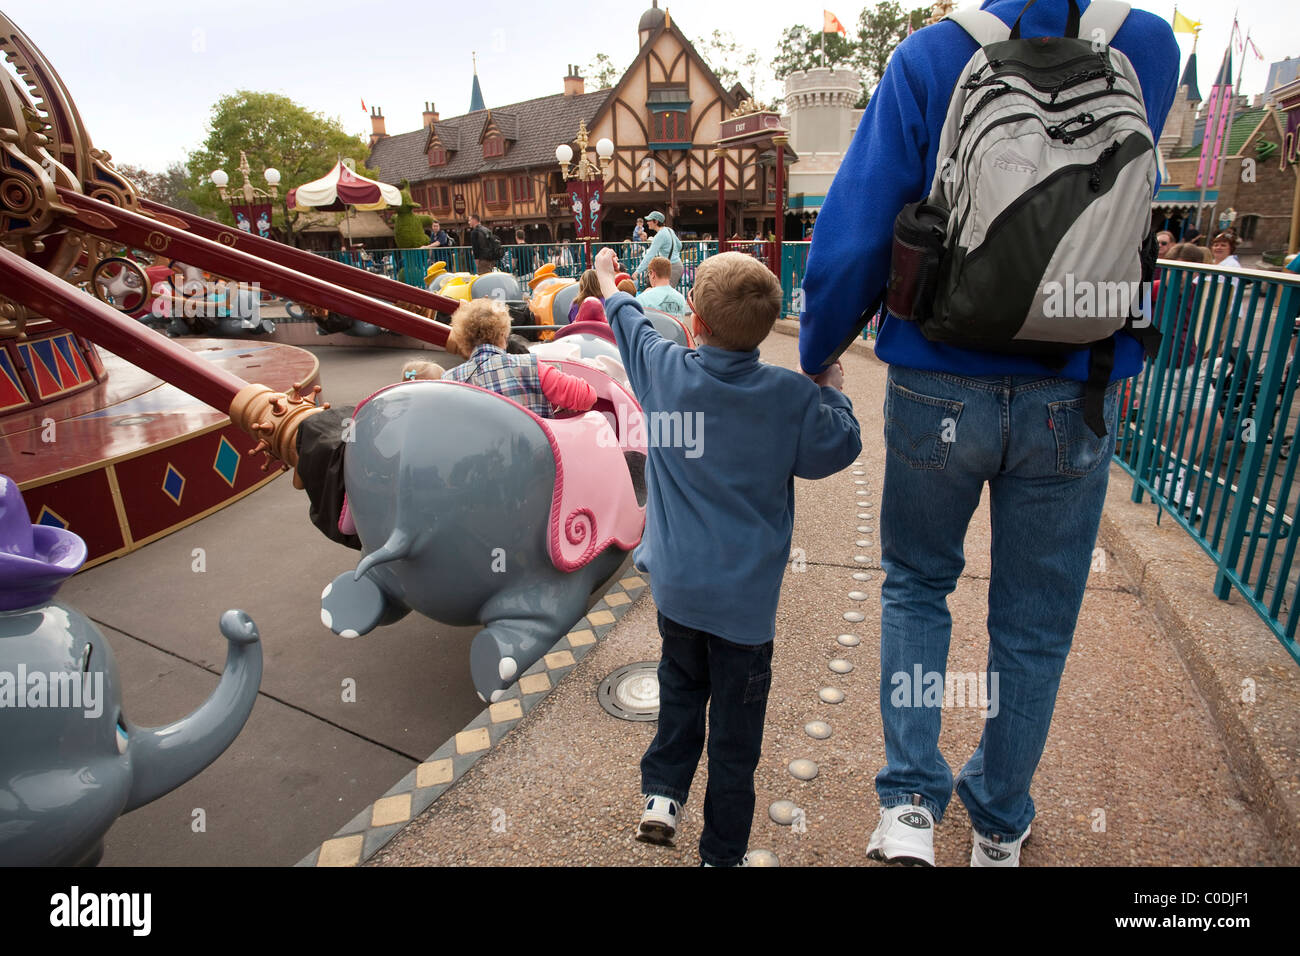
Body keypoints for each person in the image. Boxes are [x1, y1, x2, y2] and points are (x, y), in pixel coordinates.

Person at [799, 0, 1179, 867]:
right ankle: (1000, 823)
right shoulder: (1148, 47)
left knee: (917, 585)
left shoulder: (932, 55)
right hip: (1075, 386)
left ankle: (908, 809)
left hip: (939, 375)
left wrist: (821, 349)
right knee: (1035, 624)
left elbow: (859, 227)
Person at [593, 247, 862, 867]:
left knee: (680, 691)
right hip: (744, 611)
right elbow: (838, 448)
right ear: (766, 329)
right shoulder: (790, 399)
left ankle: (662, 797)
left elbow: (623, 316)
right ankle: (722, 852)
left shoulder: (662, 370)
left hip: (678, 592)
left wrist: (609, 275)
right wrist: (834, 391)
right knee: (737, 743)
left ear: (696, 320)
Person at [442, 298, 597, 416]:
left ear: (463, 340)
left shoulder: (449, 381)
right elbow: (587, 396)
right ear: (503, 333)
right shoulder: (530, 366)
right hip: (535, 454)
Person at [632, 212, 683, 287]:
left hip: (671, 267)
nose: (647, 222)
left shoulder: (659, 235)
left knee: (665, 294)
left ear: (656, 221)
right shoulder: (669, 230)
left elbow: (650, 255)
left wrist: (637, 271)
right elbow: (680, 246)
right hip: (677, 265)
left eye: (649, 220)